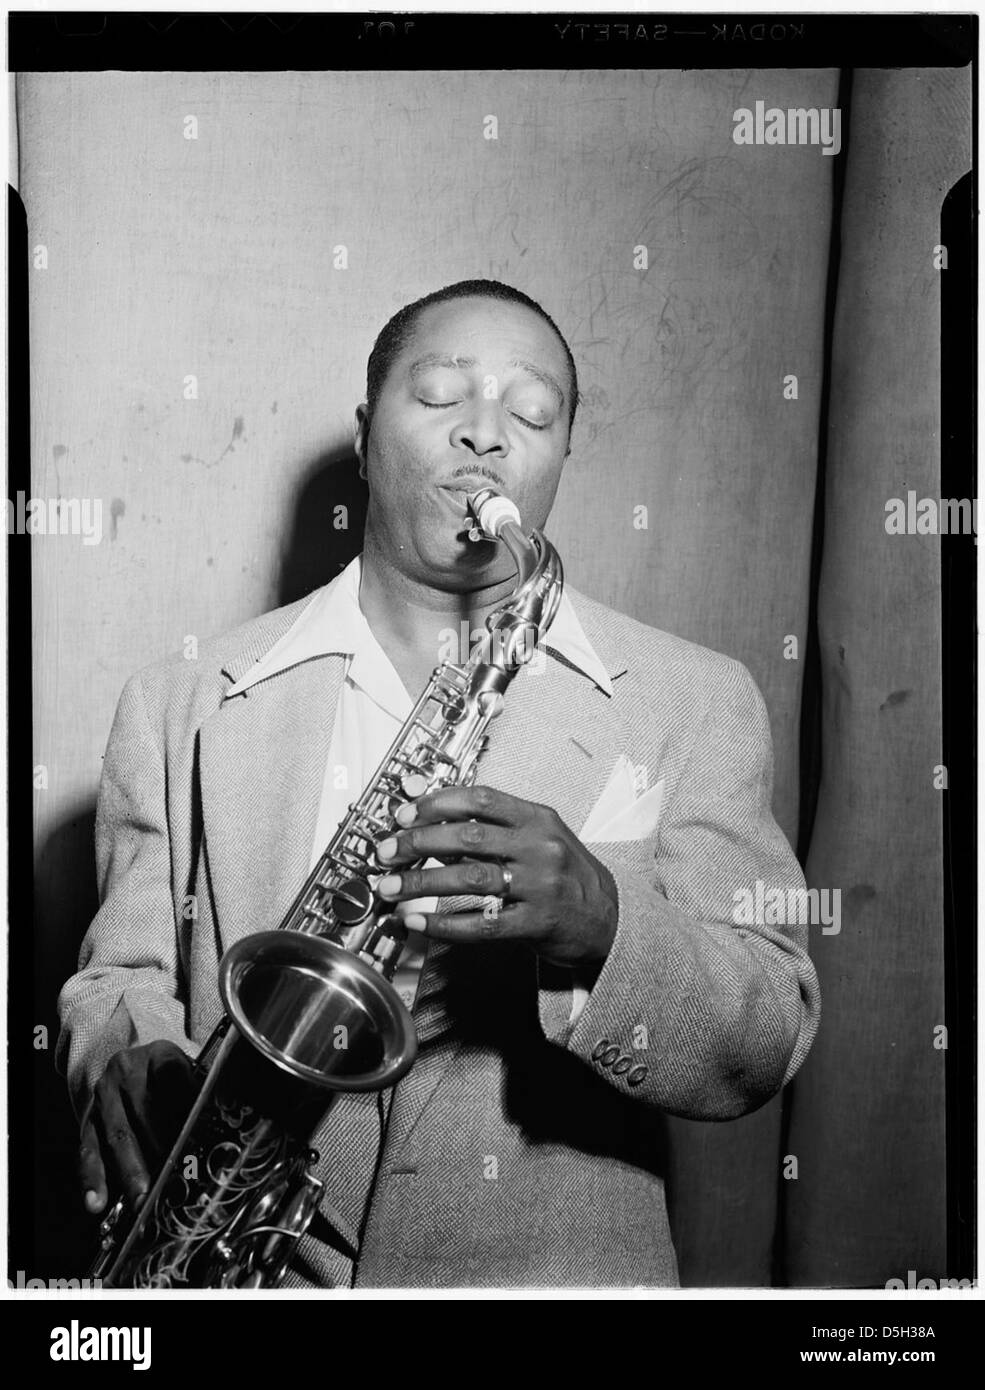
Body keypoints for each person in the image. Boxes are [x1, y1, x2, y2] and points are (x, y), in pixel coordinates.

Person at [58, 279, 821, 1288]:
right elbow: (119, 978)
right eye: (440, 396)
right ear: (369, 432)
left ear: (558, 458)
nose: (484, 436)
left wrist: (602, 920)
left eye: (531, 411)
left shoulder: (695, 698)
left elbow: (767, 1029)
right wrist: (129, 1053)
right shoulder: (181, 697)